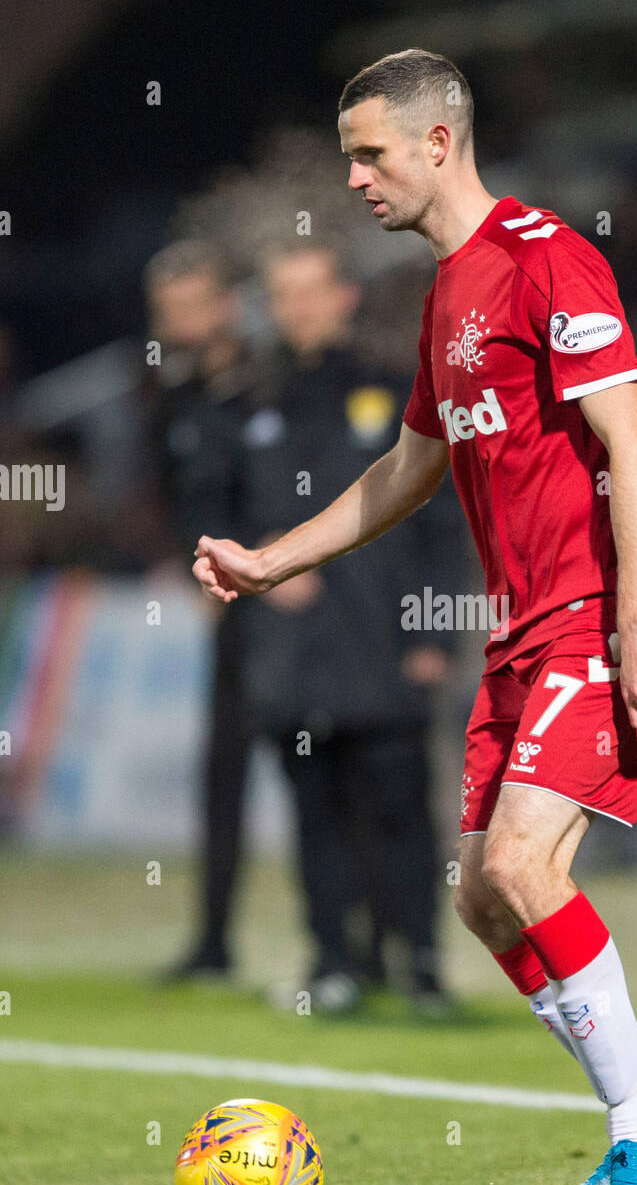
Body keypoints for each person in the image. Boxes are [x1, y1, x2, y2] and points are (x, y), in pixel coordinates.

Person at [191, 49, 637, 1185]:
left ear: (438, 143)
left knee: (528, 865)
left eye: (370, 153)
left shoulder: (548, 260)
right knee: (481, 893)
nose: (356, 178)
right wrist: (271, 557)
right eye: (346, 156)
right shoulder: (444, 296)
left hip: (603, 610)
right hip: (522, 631)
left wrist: (635, 619)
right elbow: (407, 469)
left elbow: (633, 446)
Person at [147, 237, 458, 1009]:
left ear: (345, 296)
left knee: (396, 799)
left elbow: (442, 521)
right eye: (284, 294)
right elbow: (206, 504)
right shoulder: (251, 404)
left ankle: (416, 959)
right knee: (312, 802)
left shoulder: (397, 393)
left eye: (312, 291)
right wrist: (250, 566)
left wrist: (432, 633)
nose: (299, 308)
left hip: (383, 634)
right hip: (291, 649)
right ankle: (334, 961)